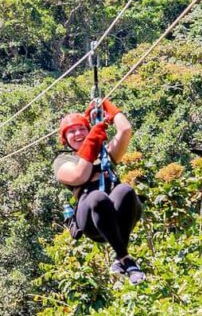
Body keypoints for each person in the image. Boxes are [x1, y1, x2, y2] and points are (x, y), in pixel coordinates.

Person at [53, 99, 146, 284]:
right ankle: (125, 258)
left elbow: (125, 131)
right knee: (97, 197)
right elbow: (79, 175)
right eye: (71, 131)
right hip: (91, 218)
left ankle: (122, 259)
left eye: (82, 129)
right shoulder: (63, 162)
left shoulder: (104, 154)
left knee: (125, 189)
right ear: (65, 139)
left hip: (118, 216)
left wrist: (110, 109)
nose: (78, 133)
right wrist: (92, 140)